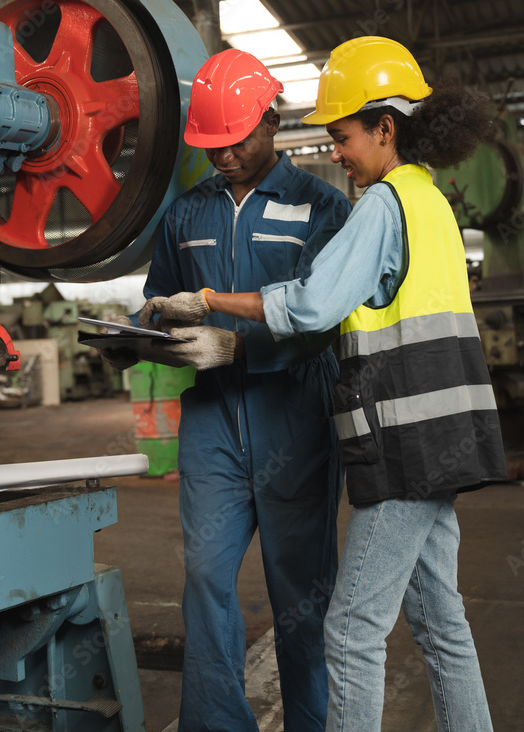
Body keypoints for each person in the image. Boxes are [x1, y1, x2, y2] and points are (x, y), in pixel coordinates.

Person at [139, 36, 506, 732]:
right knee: (441, 623)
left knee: (344, 629)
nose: (334, 152)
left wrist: (217, 306)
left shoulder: (371, 206)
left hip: (398, 443)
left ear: (384, 128)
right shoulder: (426, 197)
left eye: (341, 136)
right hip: (447, 435)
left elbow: (311, 306)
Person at [105, 48, 352, 731]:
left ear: (270, 122)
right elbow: (158, 299)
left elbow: (324, 319)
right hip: (213, 422)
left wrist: (241, 345)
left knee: (300, 595)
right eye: (211, 146)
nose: (224, 157)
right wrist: (133, 335)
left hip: (293, 418)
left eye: (236, 140)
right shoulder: (186, 215)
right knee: (207, 580)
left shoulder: (320, 209)